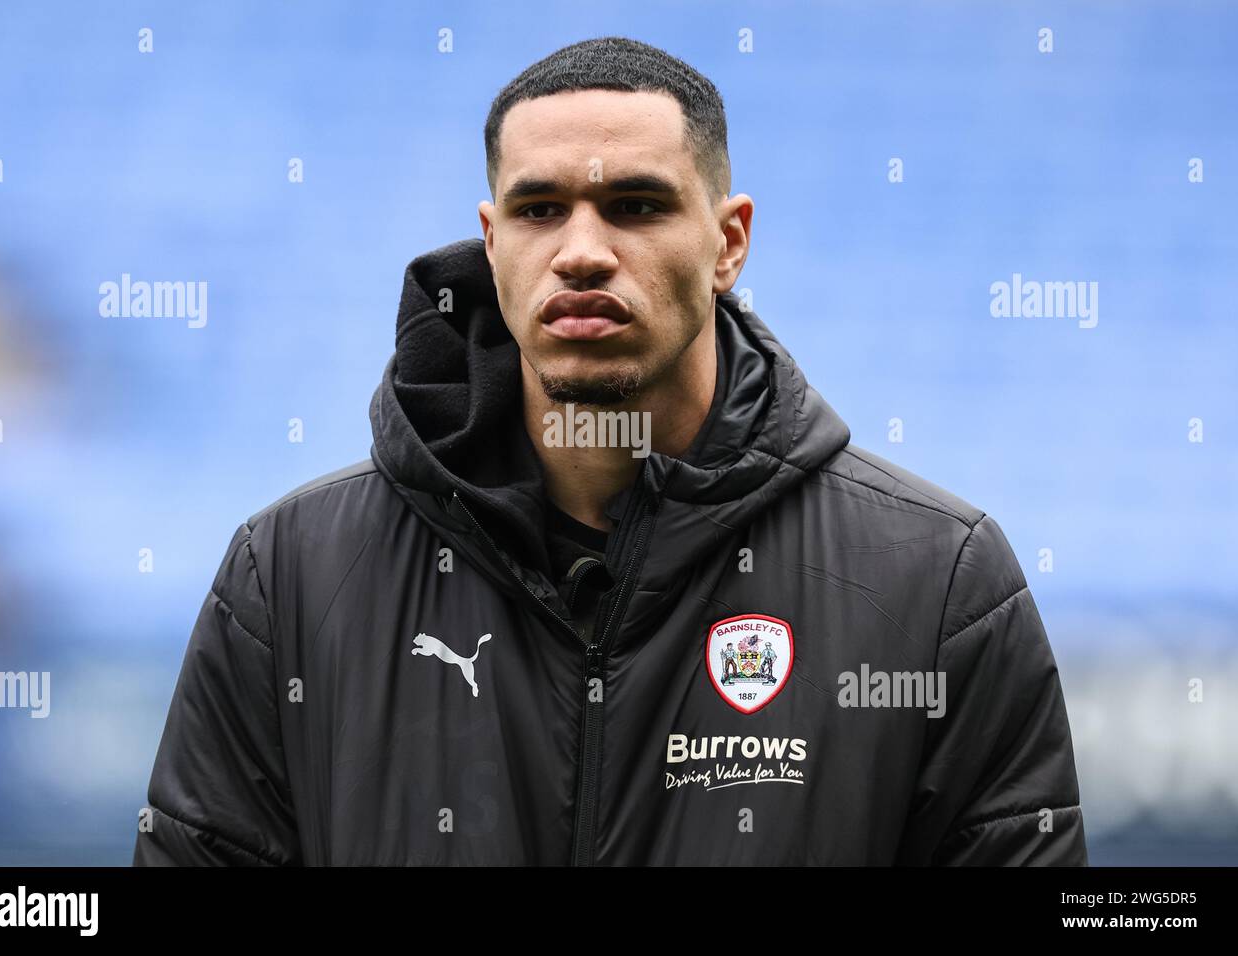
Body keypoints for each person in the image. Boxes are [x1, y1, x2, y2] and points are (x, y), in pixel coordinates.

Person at [134, 36, 1087, 866]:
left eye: (635, 206)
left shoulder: (935, 583)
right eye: (540, 209)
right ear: (492, 241)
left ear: (729, 242)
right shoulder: (293, 578)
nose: (582, 251)